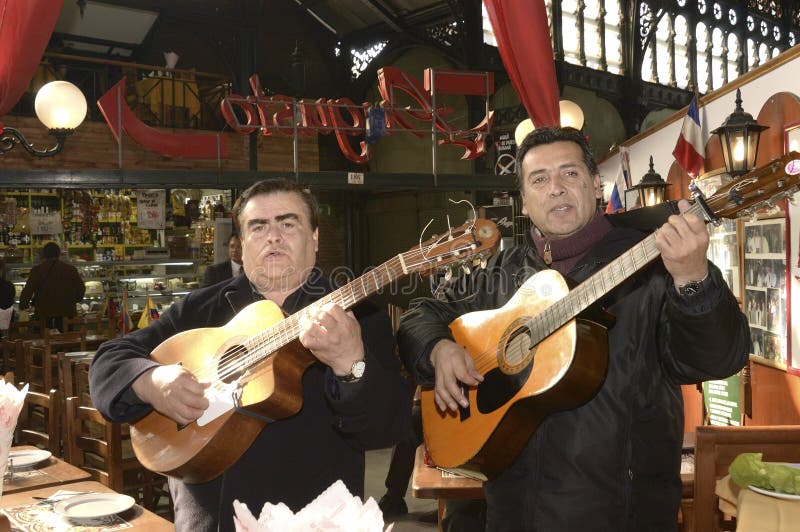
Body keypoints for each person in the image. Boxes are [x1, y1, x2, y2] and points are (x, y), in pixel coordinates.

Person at [397, 126, 750, 531]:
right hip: (511, 514)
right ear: (525, 202)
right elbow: (421, 313)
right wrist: (438, 349)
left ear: (596, 186)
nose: (556, 188)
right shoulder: (500, 273)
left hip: (623, 515)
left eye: (570, 174)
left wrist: (694, 280)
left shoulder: (653, 265)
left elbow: (718, 357)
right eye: (539, 179)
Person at [89, 179, 412, 530]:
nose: (273, 236)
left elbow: (387, 430)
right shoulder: (199, 310)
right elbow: (109, 361)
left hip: (317, 519)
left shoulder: (360, 318)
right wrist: (151, 380)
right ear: (240, 246)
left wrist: (352, 364)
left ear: (315, 238)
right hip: (213, 520)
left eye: (288, 224)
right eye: (258, 227)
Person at [19, 242, 85, 331]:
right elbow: (81, 288)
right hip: (66, 311)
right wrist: (75, 299)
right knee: (66, 340)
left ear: (44, 254)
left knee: (44, 340)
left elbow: (28, 290)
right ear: (58, 254)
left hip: (44, 312)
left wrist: (23, 305)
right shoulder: (70, 269)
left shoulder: (37, 270)